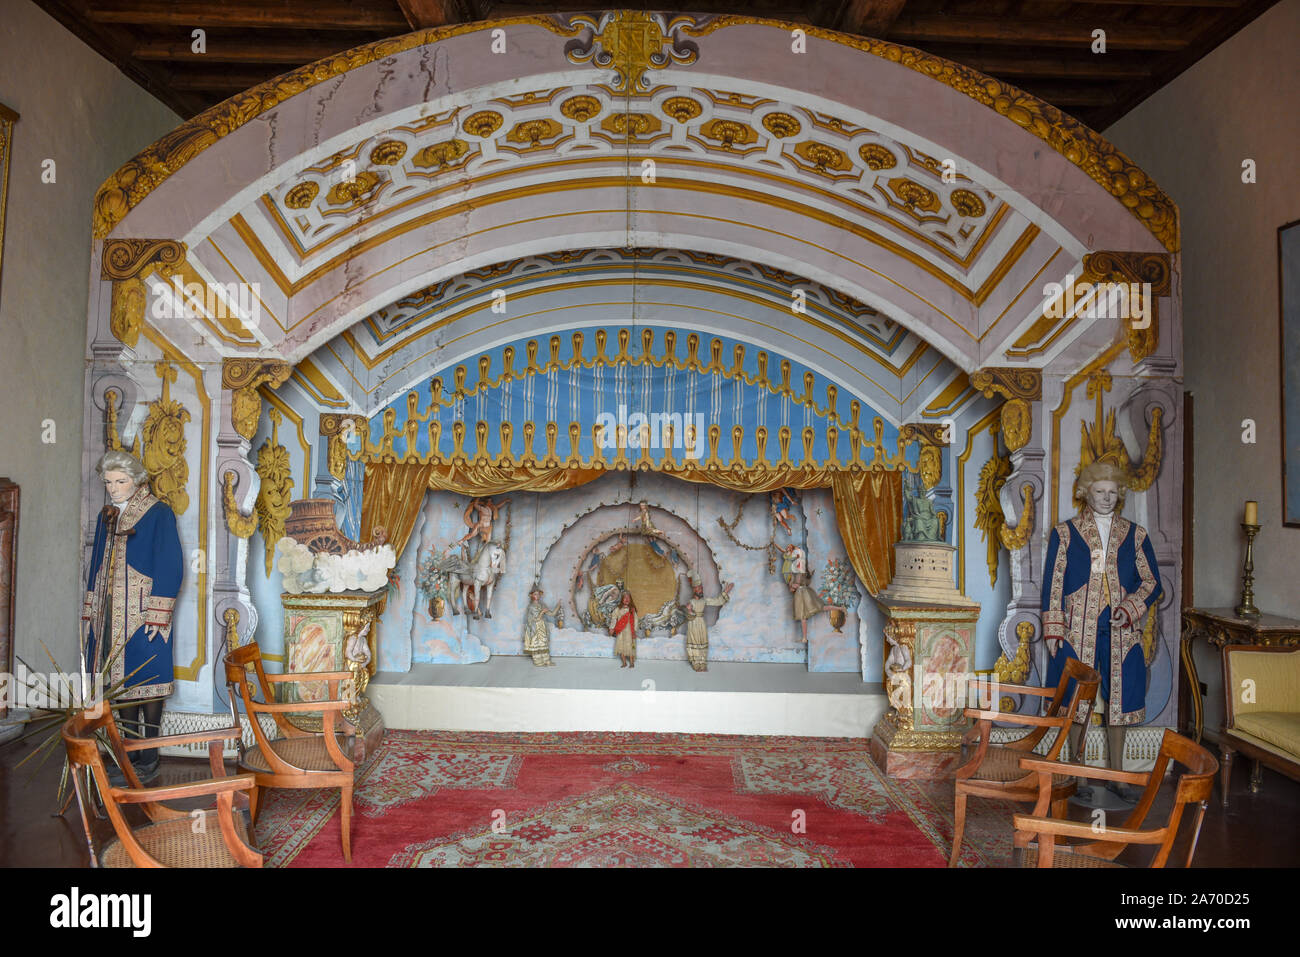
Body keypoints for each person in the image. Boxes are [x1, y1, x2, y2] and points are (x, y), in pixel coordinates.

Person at [1042, 460, 1159, 800]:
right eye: (1099, 492)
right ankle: (1078, 775)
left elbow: (1151, 582)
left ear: (1119, 494)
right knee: (1080, 699)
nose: (1106, 498)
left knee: (1119, 703)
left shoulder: (1136, 535)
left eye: (1112, 492)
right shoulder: (1065, 533)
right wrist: (1054, 629)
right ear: (1086, 493)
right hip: (1078, 630)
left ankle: (1119, 776)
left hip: (1121, 632)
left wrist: (1129, 607)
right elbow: (1054, 583)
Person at [81, 450, 183, 785]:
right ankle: (129, 755)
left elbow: (170, 562)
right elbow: (96, 560)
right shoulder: (105, 514)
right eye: (108, 481)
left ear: (136, 480)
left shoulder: (158, 513)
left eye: (120, 481)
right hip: (110, 611)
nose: (113, 487)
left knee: (148, 683)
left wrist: (159, 611)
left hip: (143, 612)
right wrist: (91, 606)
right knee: (121, 685)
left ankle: (149, 759)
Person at [683, 575, 734, 672]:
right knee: (694, 641)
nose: (701, 590)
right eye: (699, 588)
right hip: (693, 624)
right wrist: (689, 611)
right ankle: (695, 663)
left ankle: (702, 662)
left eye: (701, 588)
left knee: (702, 641)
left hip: (701, 623)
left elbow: (717, 601)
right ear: (694, 590)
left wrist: (726, 591)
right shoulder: (691, 602)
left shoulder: (704, 601)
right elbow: (687, 615)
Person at [782, 544, 824, 643]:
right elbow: (792, 588)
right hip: (801, 594)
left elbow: (797, 585)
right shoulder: (796, 573)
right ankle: (804, 638)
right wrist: (792, 586)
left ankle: (839, 608)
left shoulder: (801, 573)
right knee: (803, 617)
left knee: (817, 609)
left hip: (804, 594)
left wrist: (794, 585)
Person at [522, 583, 563, 667]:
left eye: (538, 594)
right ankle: (538, 661)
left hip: (542, 627)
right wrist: (542, 612)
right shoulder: (531, 607)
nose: (537, 596)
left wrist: (558, 606)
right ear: (531, 595)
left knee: (543, 642)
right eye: (535, 594)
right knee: (536, 643)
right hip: (535, 627)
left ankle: (546, 660)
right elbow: (535, 619)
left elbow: (552, 614)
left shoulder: (542, 605)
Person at [610, 590, 639, 668]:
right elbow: (614, 618)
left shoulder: (632, 610)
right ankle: (624, 662)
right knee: (621, 646)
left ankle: (632, 662)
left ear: (630, 599)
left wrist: (635, 630)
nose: (626, 599)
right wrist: (612, 628)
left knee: (631, 646)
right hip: (621, 631)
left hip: (630, 632)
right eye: (625, 598)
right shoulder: (618, 609)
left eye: (628, 598)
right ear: (621, 599)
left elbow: (636, 620)